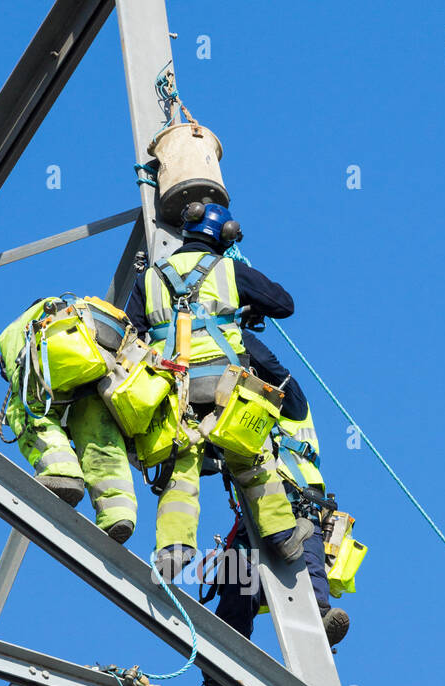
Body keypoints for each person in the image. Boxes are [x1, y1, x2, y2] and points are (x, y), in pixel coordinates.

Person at [125, 203, 310, 577]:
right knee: (252, 460)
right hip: (226, 384)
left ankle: (173, 552)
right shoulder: (228, 269)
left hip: (173, 390)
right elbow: (284, 304)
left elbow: (131, 333)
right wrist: (246, 299)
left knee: (181, 470)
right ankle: (284, 538)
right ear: (226, 236)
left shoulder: (150, 278)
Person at [199, 331, 350, 686]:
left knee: (303, 563)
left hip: (298, 506)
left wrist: (222, 327)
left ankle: (319, 619)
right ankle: (220, 681)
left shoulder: (289, 402)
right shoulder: (234, 412)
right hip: (251, 522)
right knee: (233, 601)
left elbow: (273, 368)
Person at [0, 296, 137, 543]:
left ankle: (61, 472)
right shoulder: (84, 311)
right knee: (99, 432)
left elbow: (21, 376)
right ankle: (117, 512)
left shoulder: (20, 327)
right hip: (101, 364)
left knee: (26, 409)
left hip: (61, 361)